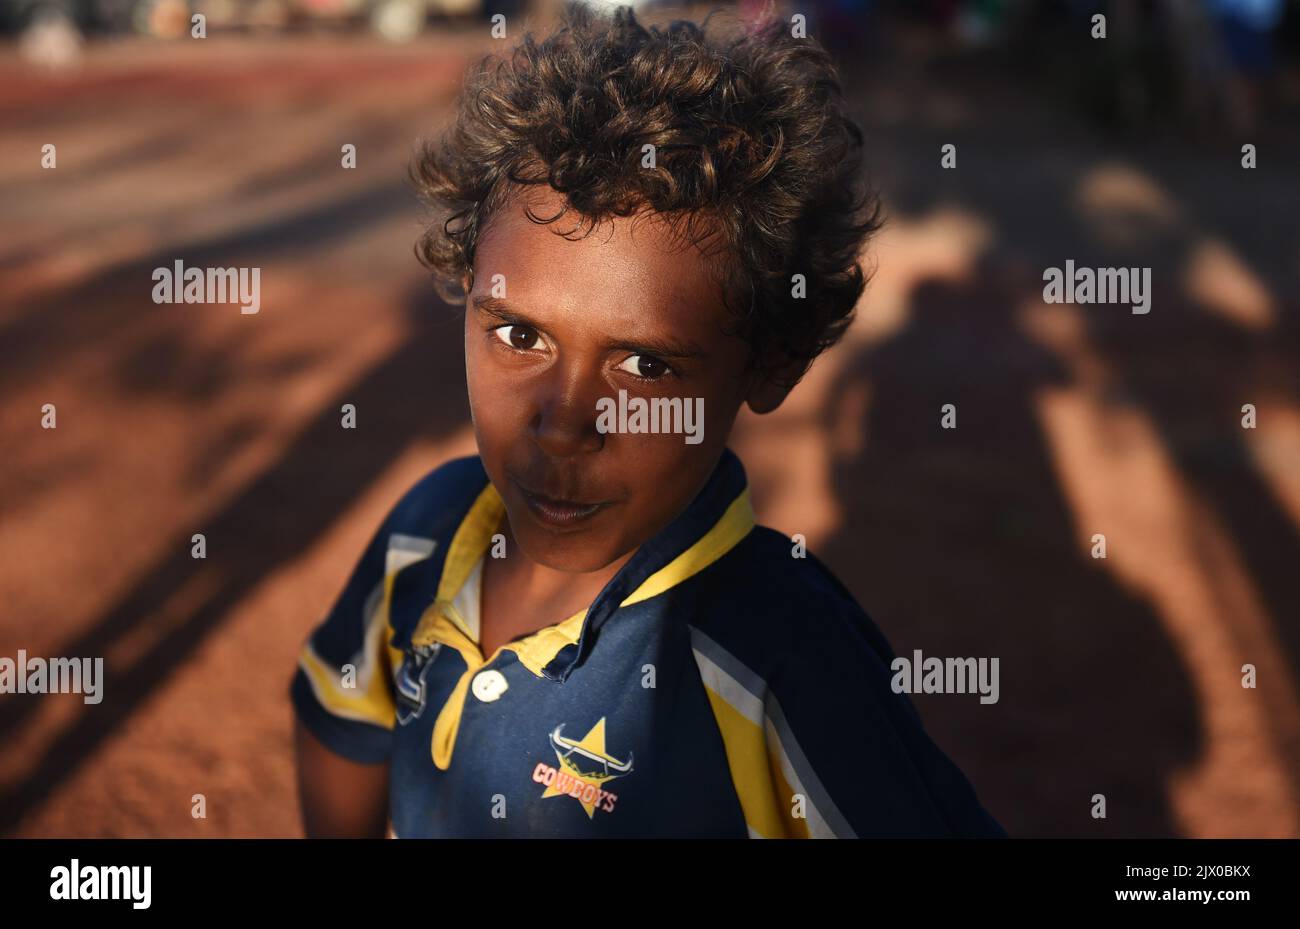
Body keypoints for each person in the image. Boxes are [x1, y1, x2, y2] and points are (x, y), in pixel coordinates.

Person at [290, 3, 1006, 838]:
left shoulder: (781, 659)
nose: (563, 424)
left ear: (770, 362)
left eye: (645, 364)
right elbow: (341, 721)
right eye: (519, 335)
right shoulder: (425, 536)